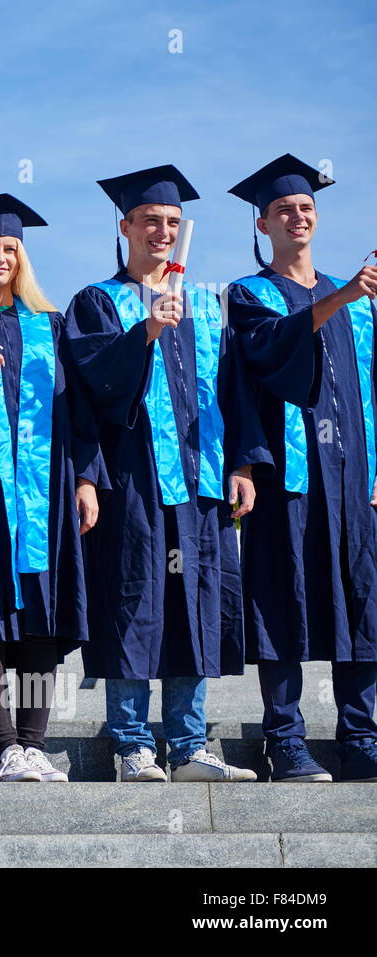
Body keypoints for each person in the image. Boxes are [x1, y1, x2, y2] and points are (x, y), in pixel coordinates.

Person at [64, 165, 258, 783]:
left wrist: (243, 464)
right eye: (149, 220)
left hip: (200, 484)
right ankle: (129, 744)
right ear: (125, 226)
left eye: (172, 222)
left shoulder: (205, 302)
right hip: (133, 482)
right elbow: (89, 387)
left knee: (195, 607)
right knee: (133, 604)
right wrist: (145, 331)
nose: (162, 230)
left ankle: (190, 742)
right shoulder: (98, 300)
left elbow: (233, 390)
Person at [0, 194, 100, 782]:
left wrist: (86, 479)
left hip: (46, 493)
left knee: (42, 618)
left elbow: (80, 412)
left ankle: (34, 745)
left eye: (9, 249)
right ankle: (5, 745)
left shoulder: (52, 327)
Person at [225, 154, 377, 783]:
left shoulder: (362, 304)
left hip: (353, 478)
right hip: (287, 475)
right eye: (283, 209)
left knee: (364, 600)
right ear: (263, 225)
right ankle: (284, 738)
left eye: (306, 207)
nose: (297, 215)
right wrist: (341, 296)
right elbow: (267, 353)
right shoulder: (248, 295)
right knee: (281, 596)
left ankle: (360, 735)